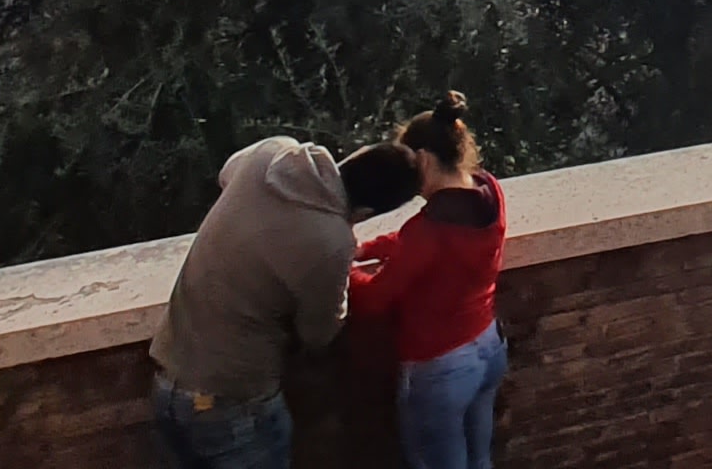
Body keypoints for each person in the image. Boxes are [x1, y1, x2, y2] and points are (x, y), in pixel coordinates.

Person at [151, 134, 355, 469]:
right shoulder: (331, 240)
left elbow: (226, 173)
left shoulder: (272, 154)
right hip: (232, 403)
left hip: (168, 380)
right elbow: (318, 334)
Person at [349, 90, 507, 469]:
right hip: (488, 346)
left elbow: (373, 299)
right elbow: (421, 251)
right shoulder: (489, 191)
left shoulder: (429, 231)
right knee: (480, 461)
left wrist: (343, 265)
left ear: (421, 160)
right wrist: (369, 247)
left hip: (441, 368)